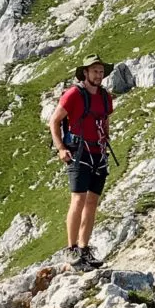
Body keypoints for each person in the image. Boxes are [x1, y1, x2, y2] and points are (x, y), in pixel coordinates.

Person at [49, 54, 113, 269]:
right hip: (79, 153)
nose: (99, 74)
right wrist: (61, 148)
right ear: (85, 72)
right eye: (95, 71)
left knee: (92, 202)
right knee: (78, 199)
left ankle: (85, 250)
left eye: (101, 71)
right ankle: (72, 249)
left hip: (99, 153)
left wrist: (105, 140)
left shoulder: (105, 96)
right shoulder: (74, 95)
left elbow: (105, 120)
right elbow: (55, 121)